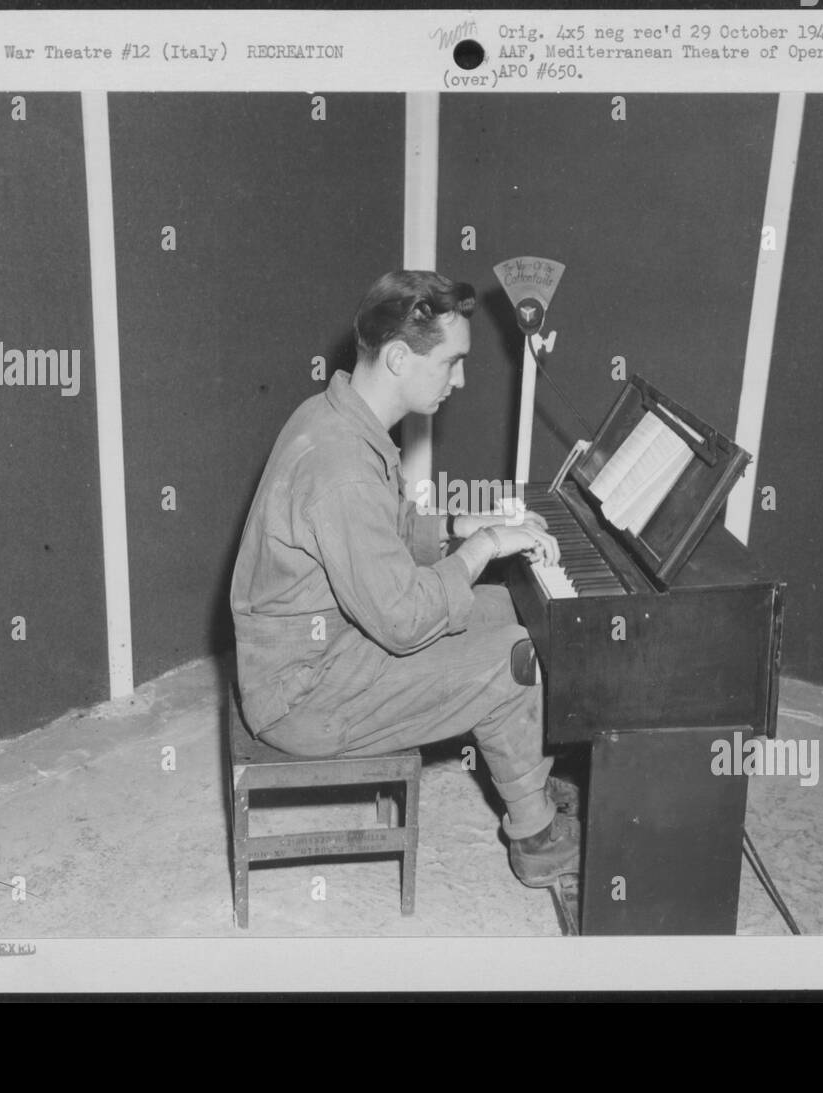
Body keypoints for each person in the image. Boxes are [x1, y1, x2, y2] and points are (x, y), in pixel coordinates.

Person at [229, 269, 580, 887]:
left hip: (329, 649)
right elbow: (404, 621)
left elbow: (380, 535)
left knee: (508, 607)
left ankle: (525, 766)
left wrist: (461, 526)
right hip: (303, 696)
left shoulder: (336, 416)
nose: (460, 380)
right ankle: (535, 836)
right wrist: (488, 546)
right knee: (512, 657)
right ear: (397, 358)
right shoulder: (340, 466)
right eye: (452, 362)